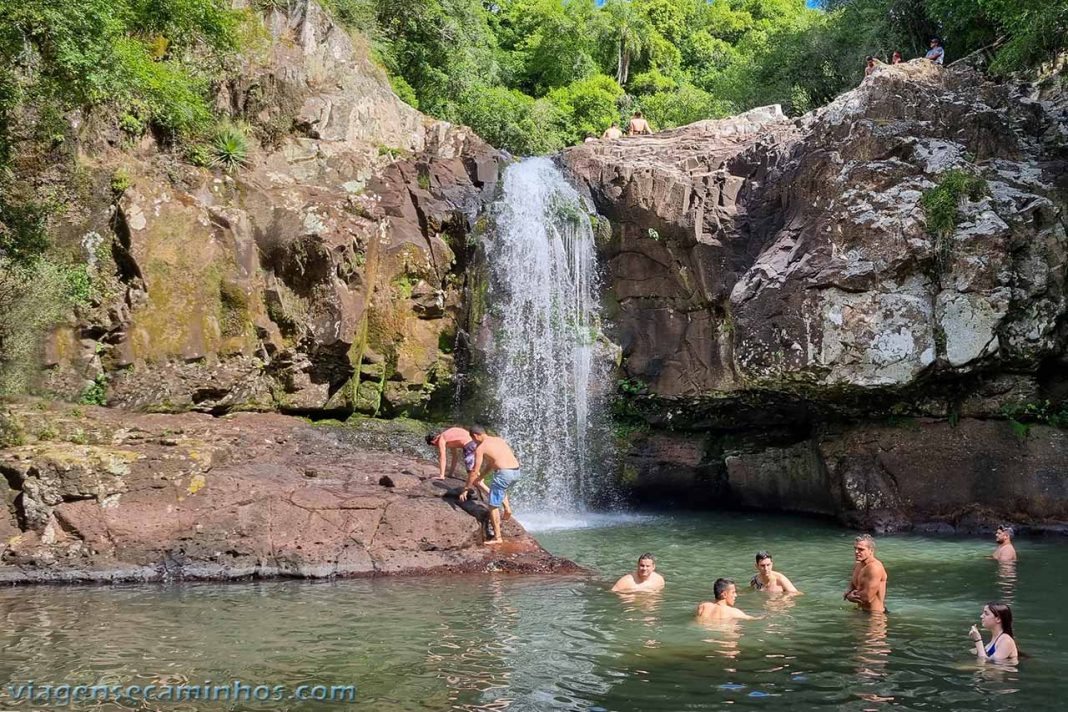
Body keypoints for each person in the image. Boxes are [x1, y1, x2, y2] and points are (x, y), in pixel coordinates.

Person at [459, 426, 521, 545]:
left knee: (493, 506)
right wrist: (480, 478)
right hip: (516, 472)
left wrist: (466, 488)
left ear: (475, 436)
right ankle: (507, 509)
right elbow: (492, 463)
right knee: (499, 488)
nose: (474, 442)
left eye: (473, 439)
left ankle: (498, 537)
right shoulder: (499, 440)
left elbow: (474, 471)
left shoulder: (481, 448)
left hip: (504, 473)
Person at [843, 534, 887, 613]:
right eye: (855, 548)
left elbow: (867, 597)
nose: (856, 552)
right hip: (860, 610)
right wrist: (849, 589)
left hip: (875, 614)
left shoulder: (874, 568)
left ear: (871, 550)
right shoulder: (859, 564)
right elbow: (855, 581)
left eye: (861, 549)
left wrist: (849, 597)